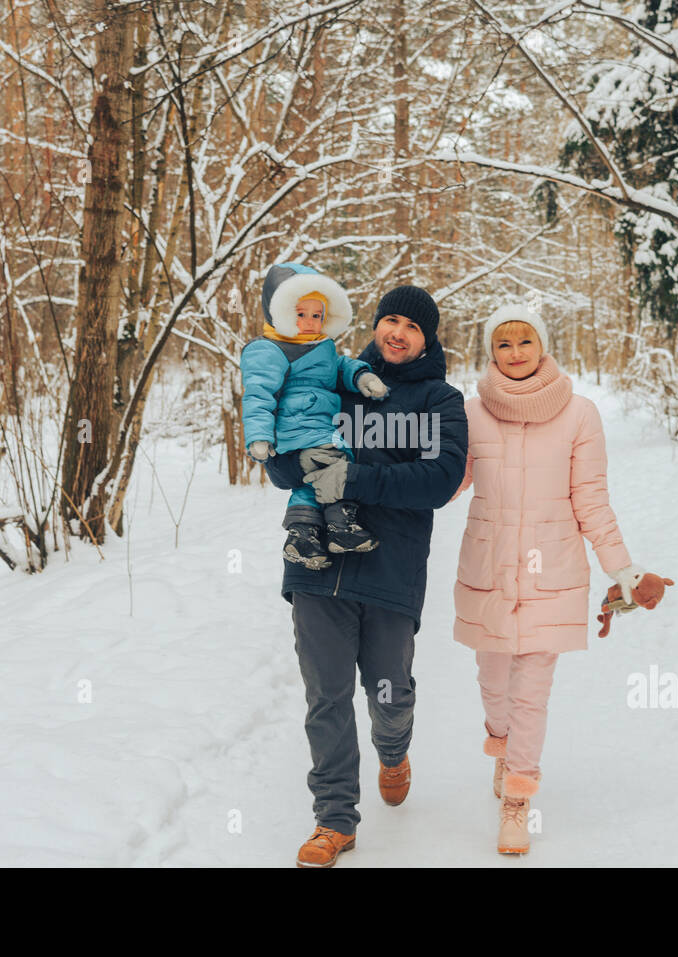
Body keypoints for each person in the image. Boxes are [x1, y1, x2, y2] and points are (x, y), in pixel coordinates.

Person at [451, 302, 673, 855]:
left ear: (542, 346)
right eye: (503, 344)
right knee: (493, 681)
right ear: (490, 352)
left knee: (532, 691)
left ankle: (517, 800)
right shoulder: (471, 413)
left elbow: (591, 499)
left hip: (552, 567)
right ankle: (500, 749)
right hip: (488, 566)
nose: (516, 352)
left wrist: (622, 568)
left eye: (525, 341)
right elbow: (448, 484)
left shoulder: (579, 413)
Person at [263, 284, 468, 867]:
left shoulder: (439, 401)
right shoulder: (331, 378)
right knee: (325, 697)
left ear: (427, 338)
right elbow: (282, 464)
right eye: (389, 320)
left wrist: (351, 480)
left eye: (411, 325)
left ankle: (394, 748)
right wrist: (290, 453)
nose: (396, 332)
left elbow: (439, 481)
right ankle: (334, 820)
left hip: (389, 570)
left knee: (389, 691)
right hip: (314, 564)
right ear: (376, 325)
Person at [241, 263, 390, 568]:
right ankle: (340, 525)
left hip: (317, 426)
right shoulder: (267, 349)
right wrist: (258, 436)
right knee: (334, 463)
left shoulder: (321, 346)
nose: (310, 322)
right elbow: (258, 395)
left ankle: (303, 534)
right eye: (301, 314)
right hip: (295, 427)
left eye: (317, 315)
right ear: (280, 312)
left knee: (311, 480)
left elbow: (339, 367)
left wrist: (361, 376)